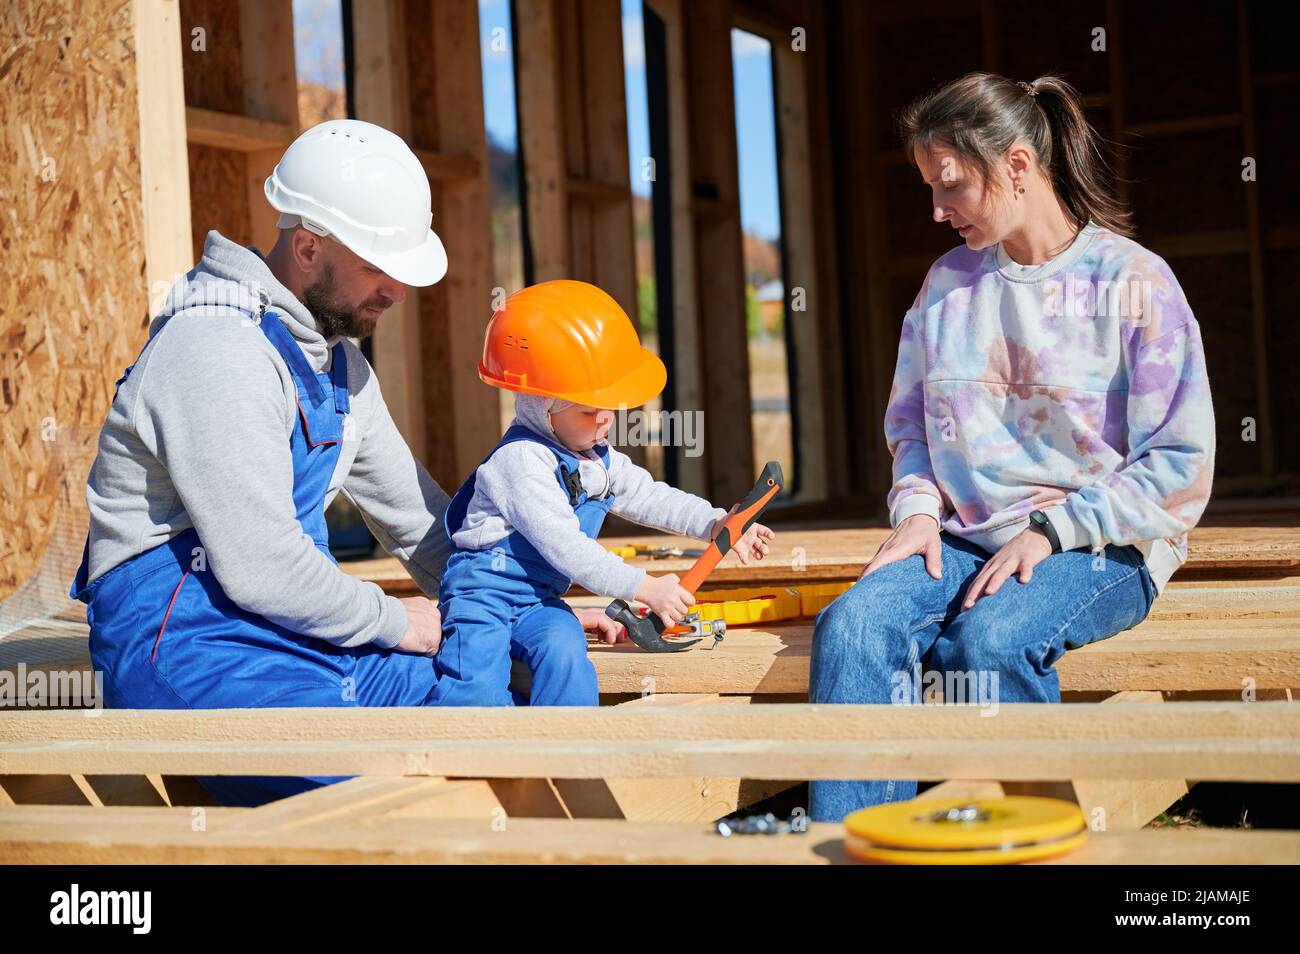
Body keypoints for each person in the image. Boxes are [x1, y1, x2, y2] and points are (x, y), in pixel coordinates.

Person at [69, 120, 618, 805]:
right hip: (195, 659)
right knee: (408, 797)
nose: (395, 290)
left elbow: (421, 526)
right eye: (377, 269)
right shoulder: (217, 351)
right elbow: (264, 566)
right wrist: (401, 623)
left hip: (304, 638)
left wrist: (518, 602)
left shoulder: (342, 368)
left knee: (496, 727)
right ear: (307, 247)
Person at [808, 73, 1216, 821]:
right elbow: (911, 429)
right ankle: (858, 847)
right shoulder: (944, 287)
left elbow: (1179, 467)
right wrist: (918, 512)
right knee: (854, 624)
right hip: (961, 537)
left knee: (988, 641)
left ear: (1018, 166)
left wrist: (1051, 530)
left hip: (1099, 544)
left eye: (950, 185)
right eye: (929, 187)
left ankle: (1039, 838)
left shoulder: (1133, 281)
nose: (935, 210)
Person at [430, 279, 774, 706]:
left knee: (565, 650)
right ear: (543, 407)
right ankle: (472, 759)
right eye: (590, 410)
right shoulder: (519, 463)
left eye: (611, 406)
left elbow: (651, 496)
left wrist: (714, 522)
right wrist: (645, 588)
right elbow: (568, 549)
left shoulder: (596, 458)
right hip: (482, 598)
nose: (606, 420)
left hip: (539, 602)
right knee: (475, 681)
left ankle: (571, 754)